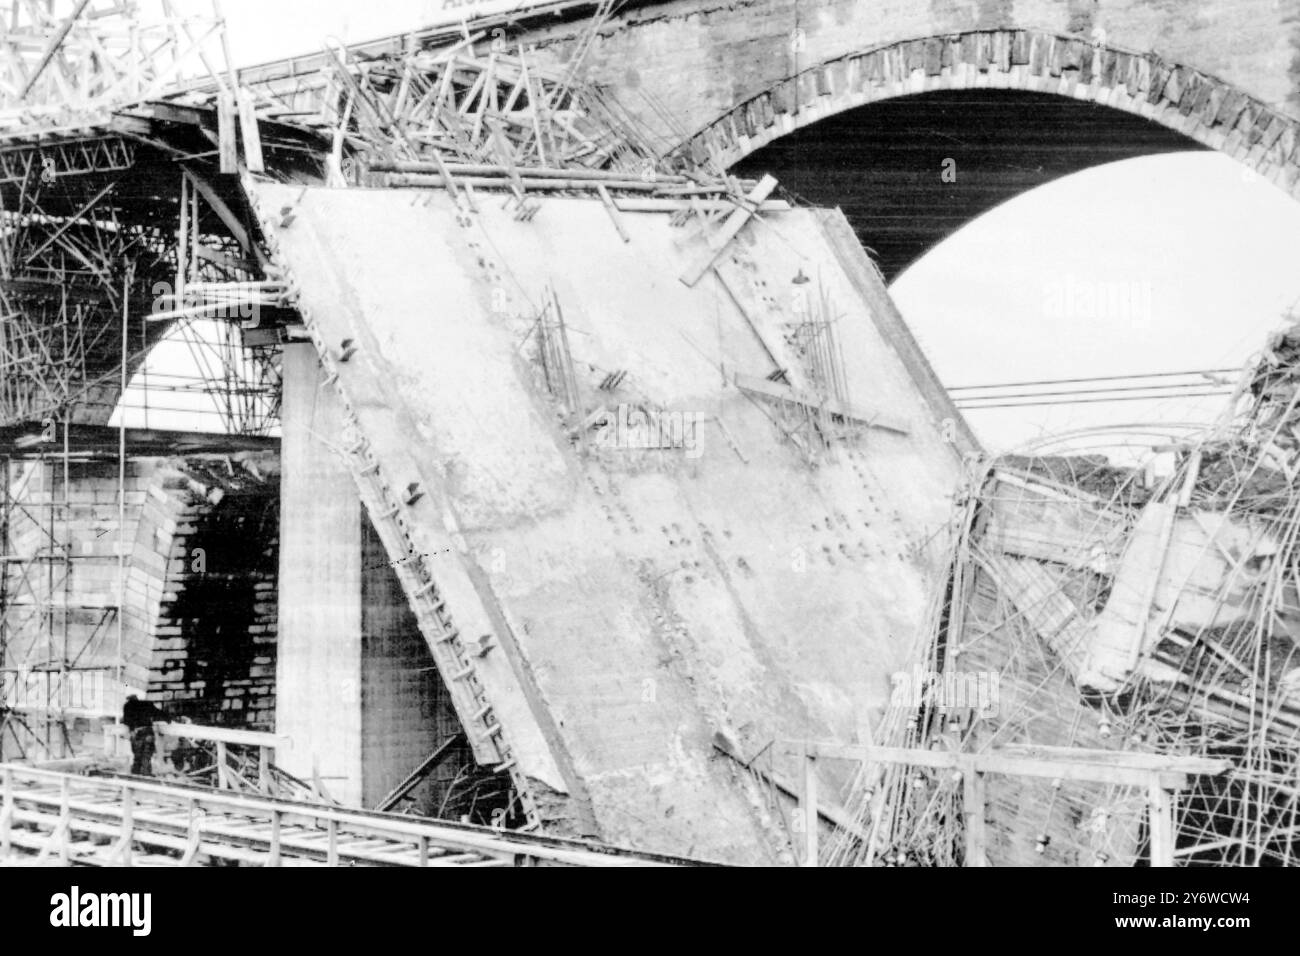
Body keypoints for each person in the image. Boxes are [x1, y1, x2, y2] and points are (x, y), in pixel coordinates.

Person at [121, 693, 161, 776]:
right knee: (146, 755)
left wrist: (132, 731)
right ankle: (146, 774)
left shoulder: (127, 706)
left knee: (137, 755)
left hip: (136, 733)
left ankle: (135, 774)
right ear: (137, 699)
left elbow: (126, 721)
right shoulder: (146, 704)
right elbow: (158, 714)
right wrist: (169, 719)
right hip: (147, 732)